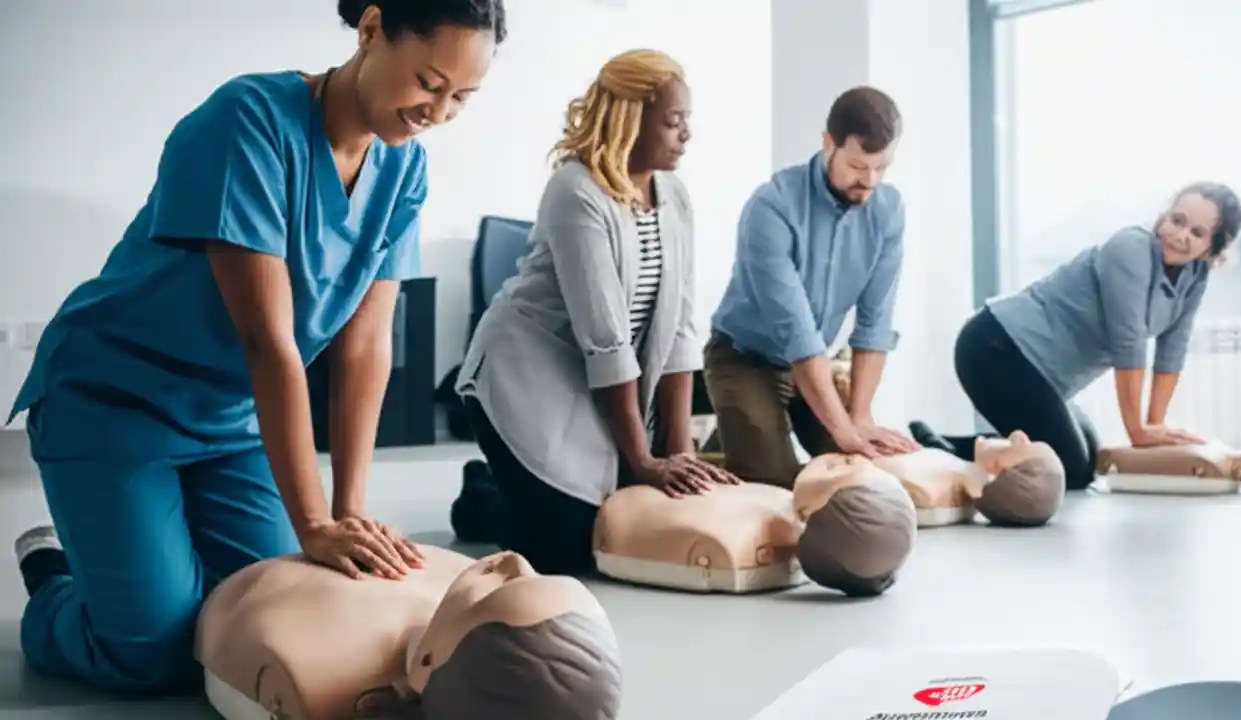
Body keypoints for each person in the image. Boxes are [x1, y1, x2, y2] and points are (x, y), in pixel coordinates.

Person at [5, 0, 506, 694]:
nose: (438, 111)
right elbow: (268, 342)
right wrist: (313, 520)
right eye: (427, 82)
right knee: (153, 654)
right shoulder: (246, 121)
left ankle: (130, 566)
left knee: (265, 612)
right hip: (116, 403)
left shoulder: (402, 169)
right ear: (369, 30)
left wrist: (348, 510)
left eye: (461, 97)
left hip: (232, 421)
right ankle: (53, 579)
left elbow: (364, 347)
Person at [450, 49, 739, 575]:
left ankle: (519, 487)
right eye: (674, 122)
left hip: (596, 384)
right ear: (632, 117)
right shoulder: (576, 191)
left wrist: (678, 453)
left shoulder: (674, 196)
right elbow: (604, 342)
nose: (686, 135)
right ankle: (483, 493)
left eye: (687, 121)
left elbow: (678, 329)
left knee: (625, 519)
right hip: (529, 378)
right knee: (568, 554)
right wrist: (641, 460)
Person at [910, 182, 1241, 491]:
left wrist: (1155, 424)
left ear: (1210, 248)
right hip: (997, 349)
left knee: (1087, 460)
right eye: (1177, 219)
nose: (1179, 234)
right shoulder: (1131, 248)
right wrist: (1138, 432)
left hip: (1041, 374)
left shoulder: (1195, 274)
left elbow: (1173, 346)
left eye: (1197, 232)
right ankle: (944, 455)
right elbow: (1128, 342)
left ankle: (940, 445)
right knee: (1070, 468)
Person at [702, 86, 920, 490]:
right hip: (745, 357)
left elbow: (875, 325)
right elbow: (796, 334)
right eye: (857, 166)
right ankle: (733, 436)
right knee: (780, 484)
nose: (869, 181)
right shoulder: (772, 206)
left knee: (860, 471)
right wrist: (843, 429)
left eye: (881, 167)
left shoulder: (889, 211)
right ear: (828, 143)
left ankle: (738, 432)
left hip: (815, 360)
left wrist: (859, 418)